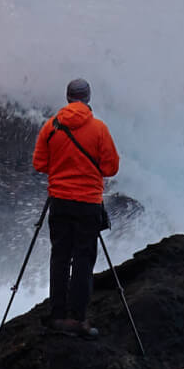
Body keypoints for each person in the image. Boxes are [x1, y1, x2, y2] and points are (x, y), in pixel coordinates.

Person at [32, 77, 119, 338]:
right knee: (83, 260)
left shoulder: (51, 127)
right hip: (88, 204)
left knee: (59, 257)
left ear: (68, 98)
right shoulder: (99, 129)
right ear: (88, 98)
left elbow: (39, 164)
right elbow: (111, 168)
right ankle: (78, 318)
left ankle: (57, 315)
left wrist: (61, 169)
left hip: (59, 202)